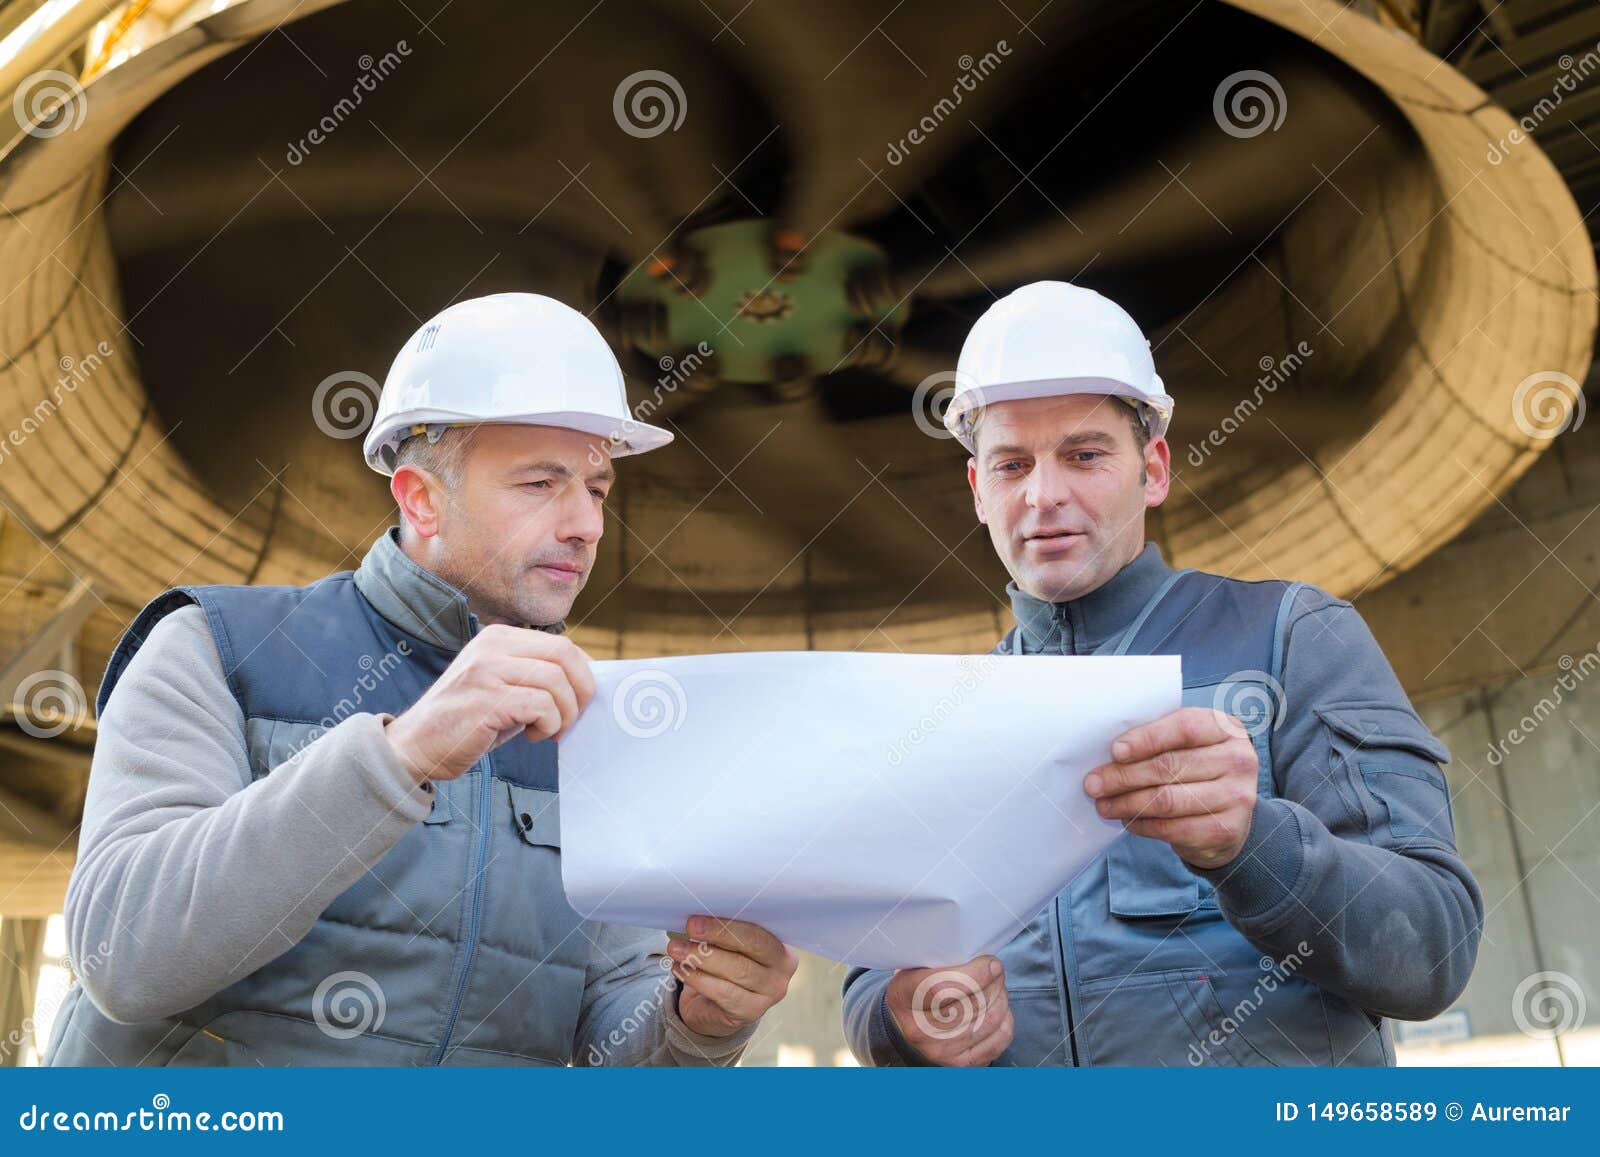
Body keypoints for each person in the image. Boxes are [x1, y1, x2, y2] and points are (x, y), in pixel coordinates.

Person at [47, 293, 795, 1066]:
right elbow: (120, 958)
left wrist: (699, 1020)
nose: (588, 523)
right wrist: (401, 756)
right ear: (422, 499)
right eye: (541, 483)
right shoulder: (217, 647)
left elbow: (611, 1053)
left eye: (597, 487)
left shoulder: (593, 731)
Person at [842, 281, 1483, 1066]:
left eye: (1083, 454)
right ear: (980, 492)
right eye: (1011, 464)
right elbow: (872, 979)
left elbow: (1433, 949)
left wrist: (1255, 842)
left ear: (1153, 469)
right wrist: (898, 1024)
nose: (1044, 495)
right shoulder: (946, 715)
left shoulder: (1292, 638)